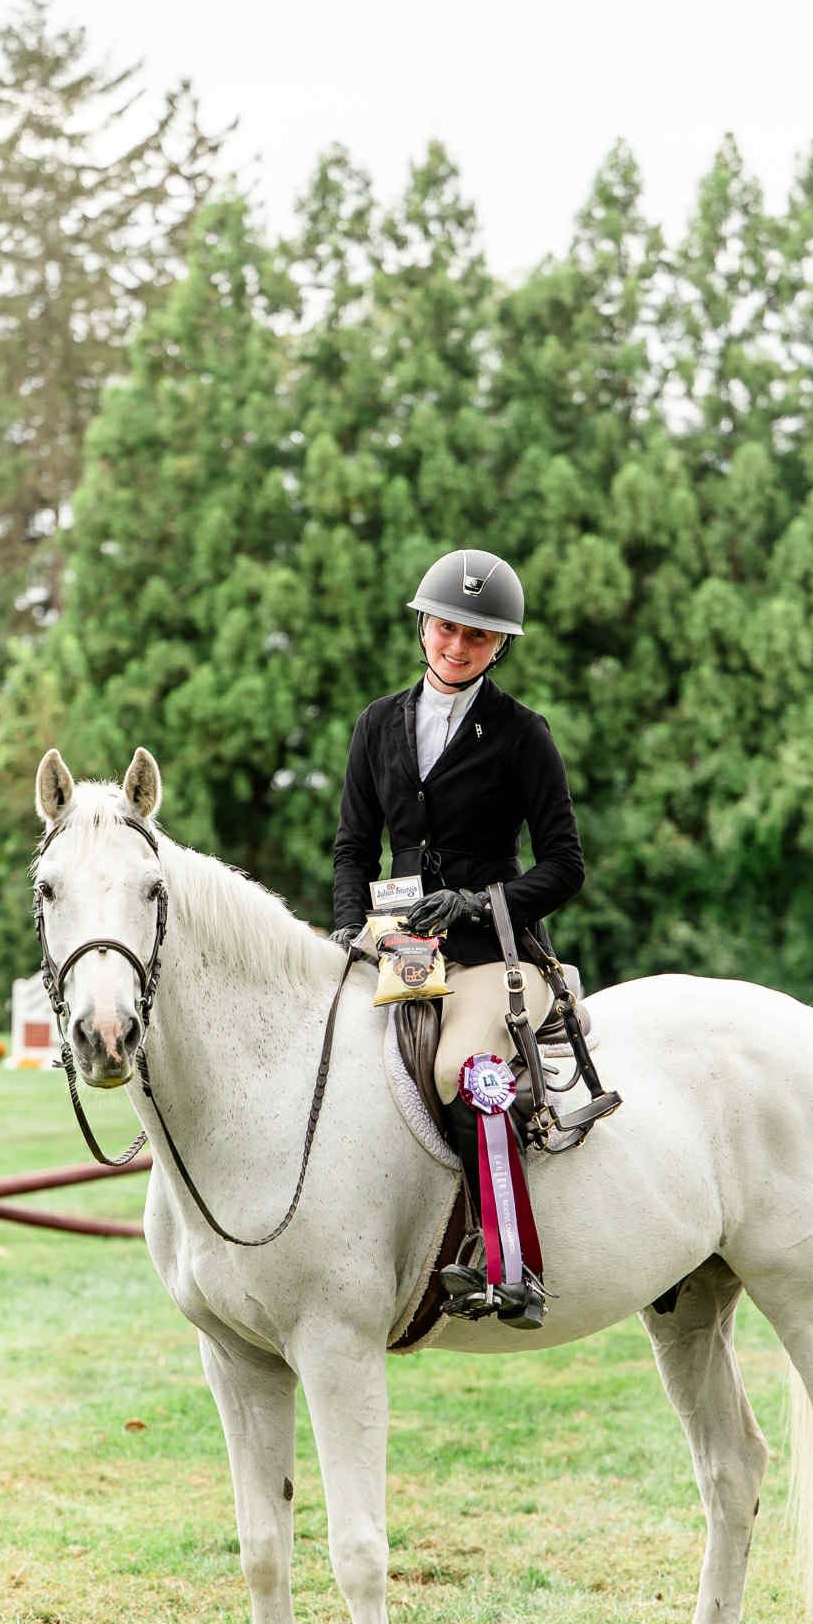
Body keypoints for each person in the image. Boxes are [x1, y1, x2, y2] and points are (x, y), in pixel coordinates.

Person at [331, 548, 584, 1327]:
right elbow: (352, 847)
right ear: (423, 625)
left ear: (498, 646)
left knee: (454, 1070)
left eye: (477, 637)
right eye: (446, 628)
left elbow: (565, 864)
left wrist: (475, 902)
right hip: (402, 952)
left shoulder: (520, 734)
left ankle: (507, 1263)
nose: (457, 646)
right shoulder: (377, 724)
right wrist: (350, 927)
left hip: (497, 954)